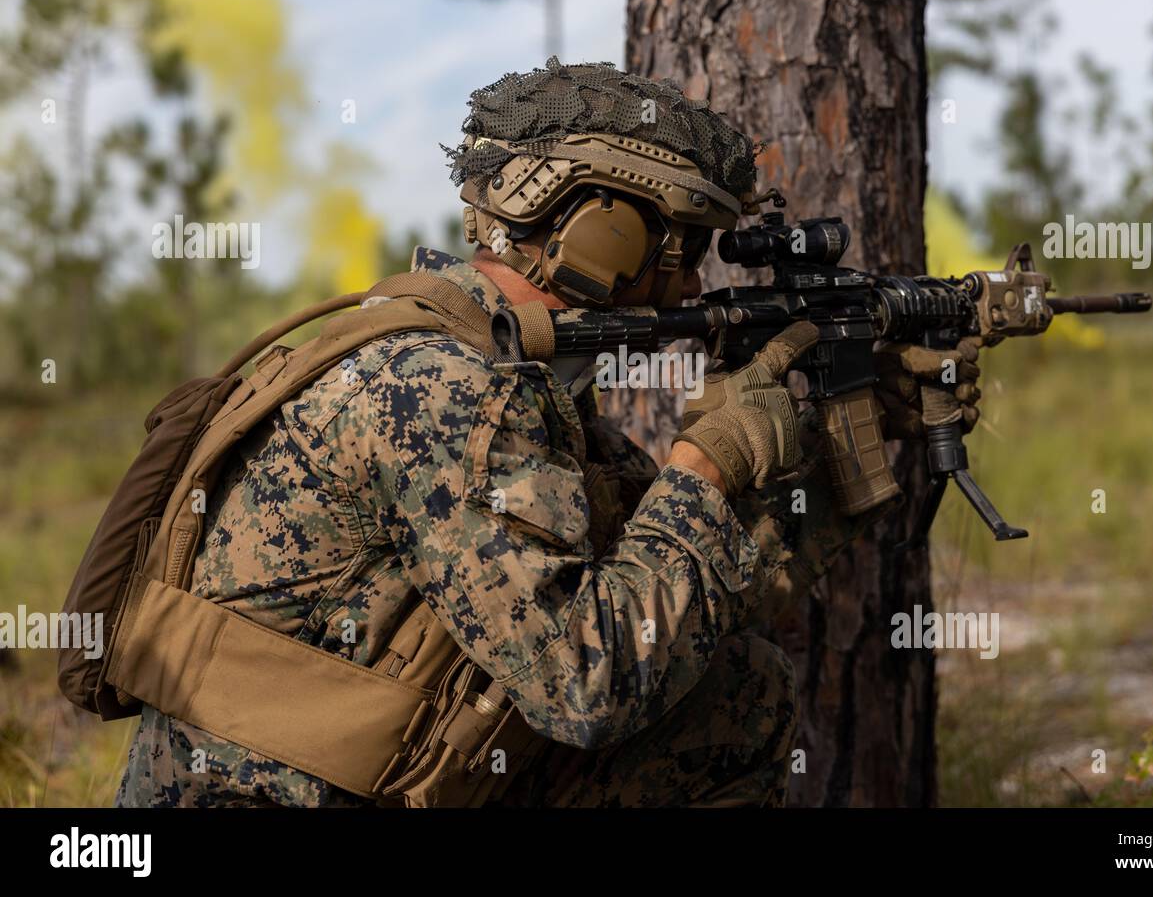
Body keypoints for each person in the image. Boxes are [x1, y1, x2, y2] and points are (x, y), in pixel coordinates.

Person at [116, 59, 980, 807]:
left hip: (332, 771)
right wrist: (703, 466)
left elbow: (674, 607)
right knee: (739, 707)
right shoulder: (448, 394)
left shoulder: (481, 363)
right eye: (682, 246)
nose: (690, 289)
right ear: (603, 233)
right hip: (255, 795)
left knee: (729, 689)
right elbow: (587, 687)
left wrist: (839, 442)